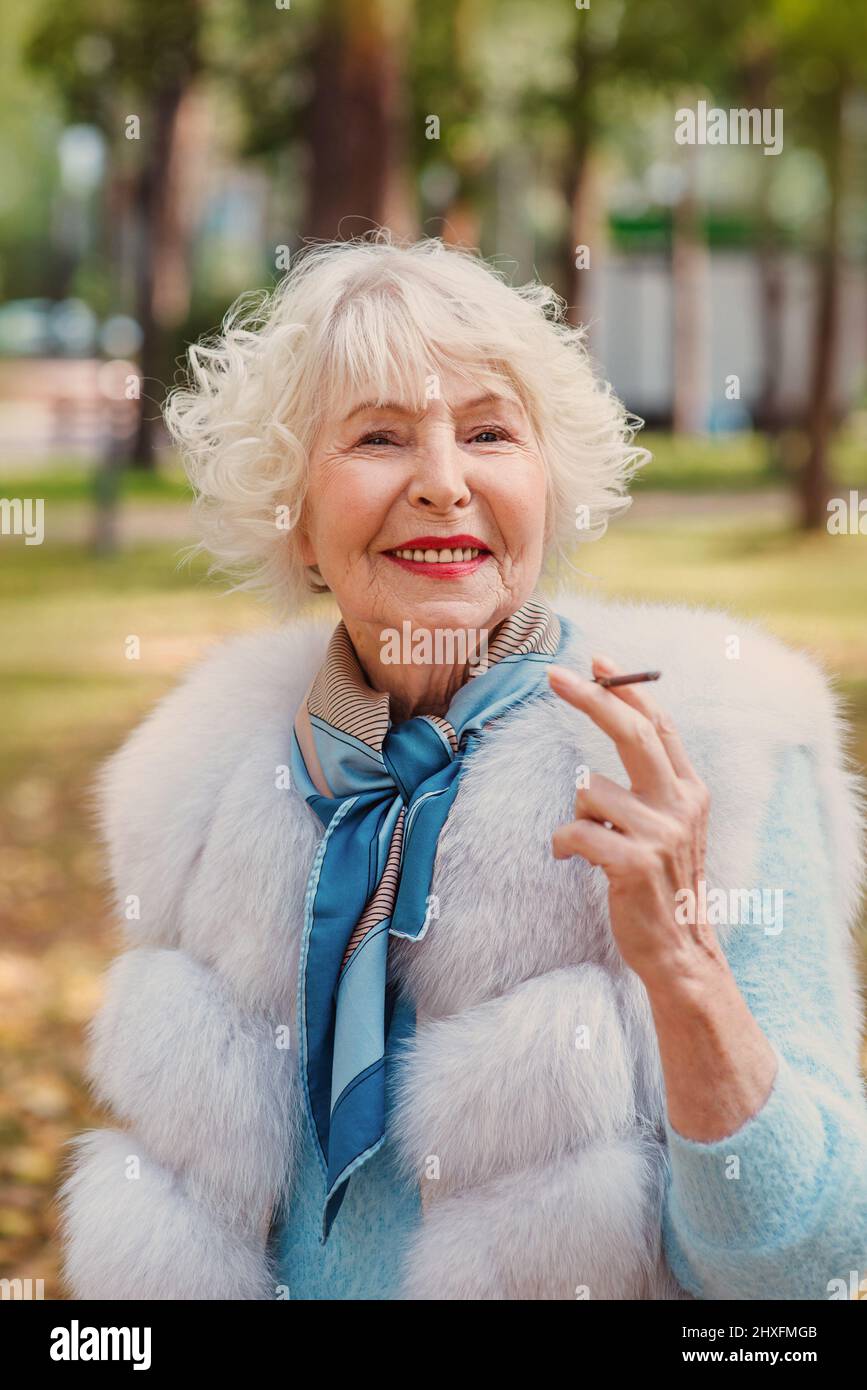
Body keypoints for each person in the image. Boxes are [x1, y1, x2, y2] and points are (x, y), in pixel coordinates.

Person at [60, 233, 867, 1300]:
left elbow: (797, 1264)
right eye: (381, 437)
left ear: (548, 486)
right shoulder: (203, 780)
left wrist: (683, 972)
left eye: (488, 432)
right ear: (295, 519)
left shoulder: (719, 738)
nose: (444, 484)